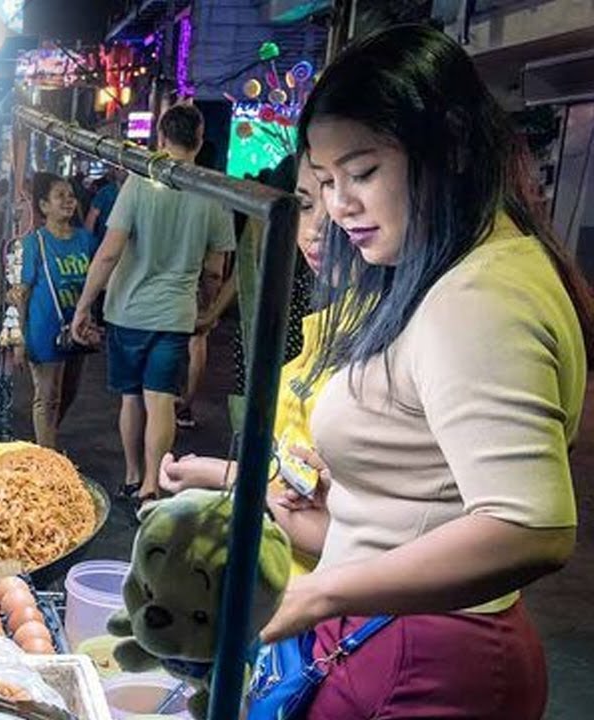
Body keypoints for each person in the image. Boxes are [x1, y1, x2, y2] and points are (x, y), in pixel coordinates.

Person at [257, 26, 591, 720]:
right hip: (392, 635)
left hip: (428, 657)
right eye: (324, 183)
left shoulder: (478, 297)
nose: (341, 206)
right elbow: (432, 493)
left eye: (364, 172)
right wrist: (334, 518)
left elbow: (532, 528)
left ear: (452, 148)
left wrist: (324, 592)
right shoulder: (453, 264)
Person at [158, 152, 328, 576]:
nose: (316, 229)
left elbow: (351, 532)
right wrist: (217, 474)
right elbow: (286, 480)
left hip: (320, 605)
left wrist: (220, 479)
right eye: (304, 204)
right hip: (283, 582)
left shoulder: (371, 346)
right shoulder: (317, 326)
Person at [72, 104, 236, 502]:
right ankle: (152, 483)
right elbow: (216, 268)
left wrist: (82, 306)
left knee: (131, 398)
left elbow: (110, 252)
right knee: (160, 399)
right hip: (174, 315)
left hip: (127, 311)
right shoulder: (212, 191)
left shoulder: (139, 183)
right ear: (199, 142)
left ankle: (131, 475)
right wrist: (206, 307)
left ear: (161, 138)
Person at [12, 173, 100, 449]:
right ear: (43, 205)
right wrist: (17, 337)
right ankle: (45, 456)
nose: (68, 200)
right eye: (60, 196)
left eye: (71, 195)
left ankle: (45, 440)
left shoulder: (86, 240)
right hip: (43, 331)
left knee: (69, 393)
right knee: (47, 396)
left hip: (78, 329)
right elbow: (20, 293)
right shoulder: (34, 243)